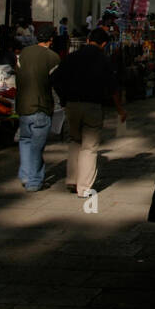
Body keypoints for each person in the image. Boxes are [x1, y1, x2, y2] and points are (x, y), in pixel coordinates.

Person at [50, 27, 126, 197]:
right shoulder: (104, 60)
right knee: (89, 146)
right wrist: (120, 109)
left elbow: (55, 78)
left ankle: (71, 179)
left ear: (89, 39)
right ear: (104, 43)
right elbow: (113, 88)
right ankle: (84, 187)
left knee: (74, 140)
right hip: (93, 105)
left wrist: (63, 98)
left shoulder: (72, 57)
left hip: (72, 104)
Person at [15, 24, 61, 192]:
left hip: (23, 105)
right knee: (37, 145)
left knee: (25, 140)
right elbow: (56, 83)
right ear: (51, 40)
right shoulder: (53, 57)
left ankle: (25, 175)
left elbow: (17, 76)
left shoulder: (24, 53)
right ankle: (34, 181)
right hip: (41, 105)